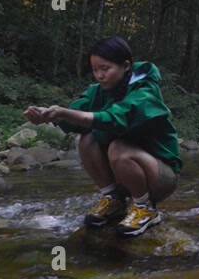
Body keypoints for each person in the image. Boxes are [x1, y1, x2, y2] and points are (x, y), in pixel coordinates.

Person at [24, 36, 182, 237]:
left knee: (118, 148)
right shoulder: (98, 92)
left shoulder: (145, 92)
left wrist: (63, 112)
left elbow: (117, 117)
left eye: (105, 69)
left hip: (161, 176)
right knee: (87, 139)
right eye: (95, 69)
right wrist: (48, 115)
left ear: (125, 66)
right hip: (126, 172)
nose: (99, 75)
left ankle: (145, 208)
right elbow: (75, 115)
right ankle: (114, 199)